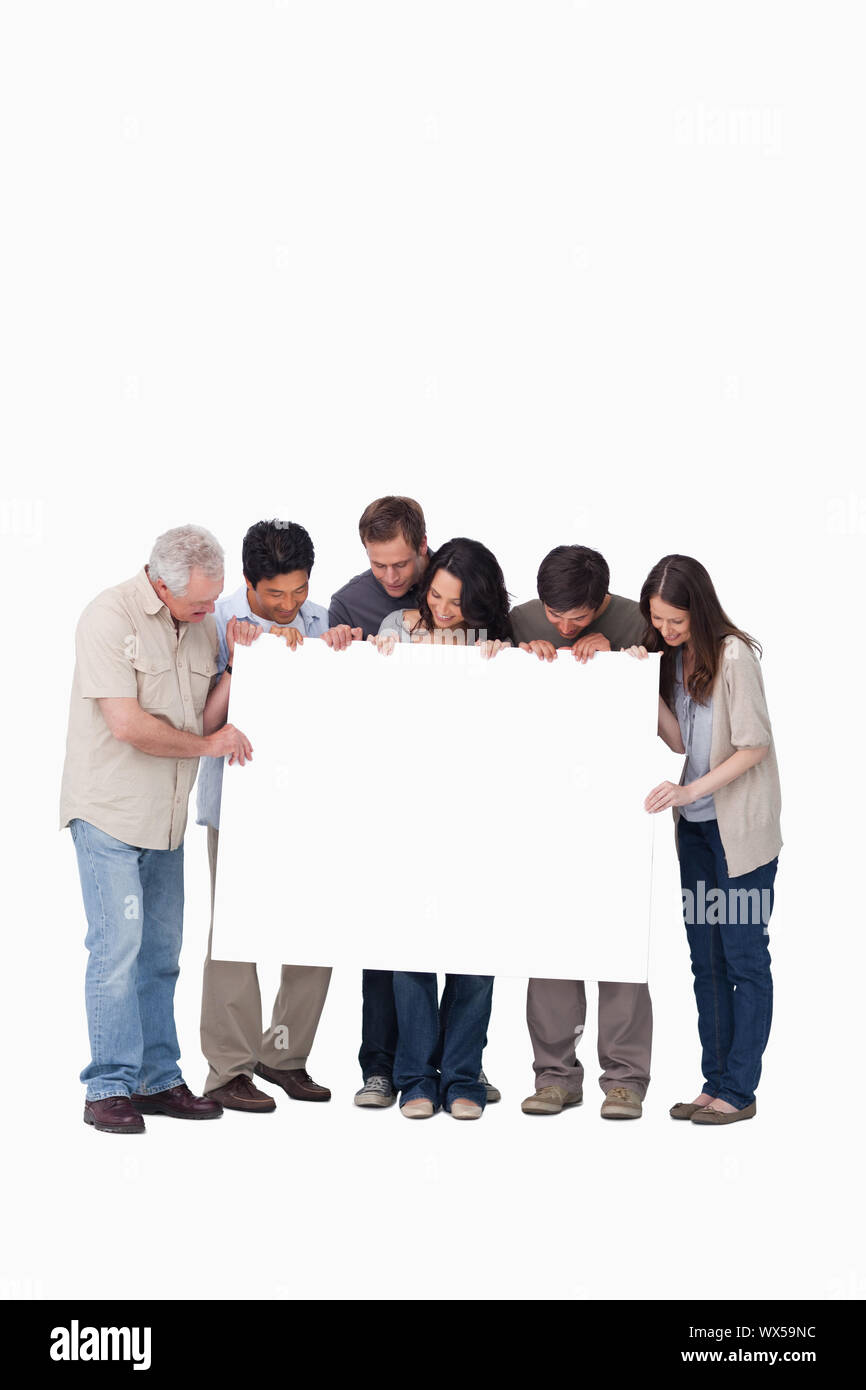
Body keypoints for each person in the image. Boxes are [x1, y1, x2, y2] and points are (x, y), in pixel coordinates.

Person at [60, 525, 256, 1134]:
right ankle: (108, 1087)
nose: (210, 611)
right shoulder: (107, 617)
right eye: (201, 601)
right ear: (160, 583)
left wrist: (236, 668)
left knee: (161, 954)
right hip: (111, 815)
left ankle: (158, 1077)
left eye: (214, 599)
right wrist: (208, 744)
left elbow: (202, 713)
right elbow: (127, 724)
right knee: (116, 950)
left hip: (167, 819)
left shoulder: (199, 624)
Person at [198, 519, 346, 1112]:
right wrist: (237, 660)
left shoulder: (323, 618)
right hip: (239, 802)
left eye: (299, 590)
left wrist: (344, 649)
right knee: (233, 936)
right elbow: (201, 727)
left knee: (314, 930)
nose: (288, 606)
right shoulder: (212, 621)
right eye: (274, 594)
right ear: (248, 582)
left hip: (314, 804)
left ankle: (283, 1055)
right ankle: (229, 1070)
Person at [634, 554, 782, 1125]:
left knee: (744, 957)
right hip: (695, 833)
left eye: (676, 621)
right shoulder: (676, 658)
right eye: (659, 621)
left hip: (738, 834)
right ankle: (713, 1080)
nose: (667, 631)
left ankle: (739, 1090)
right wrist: (640, 688)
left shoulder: (735, 656)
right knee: (706, 959)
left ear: (699, 607)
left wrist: (688, 789)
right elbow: (678, 741)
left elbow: (754, 747)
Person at [372, 537, 511, 1118]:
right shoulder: (397, 629)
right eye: (436, 596)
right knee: (410, 948)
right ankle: (415, 1077)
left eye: (457, 603)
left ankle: (462, 1076)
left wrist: (523, 662)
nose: (444, 610)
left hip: (480, 815)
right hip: (407, 810)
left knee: (474, 950)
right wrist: (370, 657)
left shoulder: (497, 644)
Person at [514, 546, 653, 1120]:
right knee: (551, 942)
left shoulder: (636, 621)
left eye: (578, 619)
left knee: (618, 942)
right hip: (540, 803)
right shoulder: (521, 620)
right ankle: (554, 1076)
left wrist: (625, 656)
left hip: (616, 803)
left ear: (602, 603)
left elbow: (665, 701)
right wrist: (519, 656)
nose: (566, 628)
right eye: (556, 615)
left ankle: (624, 1079)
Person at [329, 497, 432, 1108]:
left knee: (461, 931)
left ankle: (452, 1064)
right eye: (378, 565)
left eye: (400, 564)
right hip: (380, 789)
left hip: (453, 786)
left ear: (423, 545)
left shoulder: (452, 582)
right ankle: (380, 1066)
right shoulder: (351, 601)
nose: (390, 579)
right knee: (382, 931)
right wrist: (337, 643)